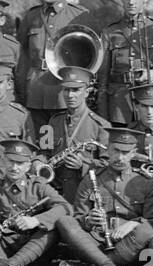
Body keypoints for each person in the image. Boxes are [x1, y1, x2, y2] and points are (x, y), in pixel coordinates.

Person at [62, 126, 153, 266]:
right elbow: (78, 216)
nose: (120, 157)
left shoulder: (146, 183)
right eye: (116, 151)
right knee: (65, 222)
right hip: (96, 243)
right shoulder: (91, 179)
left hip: (130, 243)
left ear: (134, 153)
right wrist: (89, 220)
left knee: (147, 231)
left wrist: (133, 224)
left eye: (125, 153)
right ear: (108, 149)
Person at [15, 0, 88, 136]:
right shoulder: (32, 17)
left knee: (64, 139)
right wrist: (22, 89)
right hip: (35, 90)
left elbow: (89, 57)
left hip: (64, 91)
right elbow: (21, 56)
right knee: (41, 140)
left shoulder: (79, 16)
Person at [97, 0, 153, 126]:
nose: (131, 2)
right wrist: (103, 117)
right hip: (119, 105)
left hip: (150, 101)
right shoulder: (110, 32)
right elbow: (102, 80)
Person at [41, 66, 110, 202]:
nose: (70, 95)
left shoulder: (101, 126)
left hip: (84, 194)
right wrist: (38, 163)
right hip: (56, 192)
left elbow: (108, 165)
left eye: (76, 90)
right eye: (66, 90)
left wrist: (84, 165)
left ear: (86, 92)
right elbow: (43, 152)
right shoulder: (52, 121)